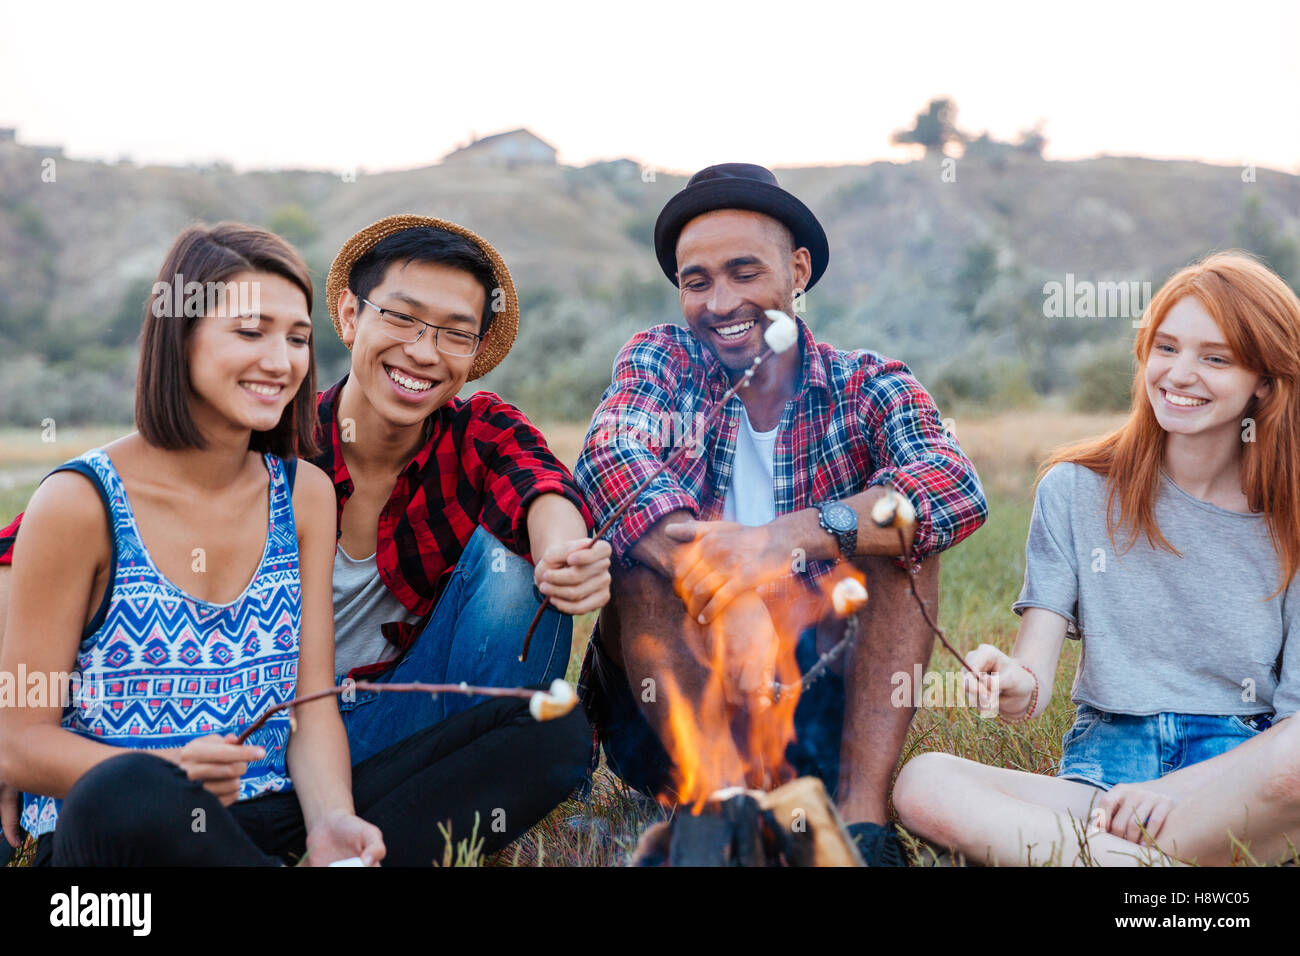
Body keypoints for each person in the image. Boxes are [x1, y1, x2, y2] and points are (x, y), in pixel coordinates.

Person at [0, 221, 593, 865]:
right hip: (131, 832)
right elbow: (18, 742)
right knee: (131, 788)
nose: (280, 362)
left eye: (296, 338)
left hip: (275, 807)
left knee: (553, 734)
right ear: (180, 335)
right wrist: (172, 769)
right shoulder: (82, 501)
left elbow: (311, 711)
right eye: (250, 332)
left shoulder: (301, 492)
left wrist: (333, 820)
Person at [572, 163, 988, 865]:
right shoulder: (661, 358)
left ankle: (859, 822)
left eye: (744, 272)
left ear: (798, 271)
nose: (720, 300)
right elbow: (611, 455)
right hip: (673, 714)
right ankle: (724, 809)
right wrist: (721, 584)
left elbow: (950, 486)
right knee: (642, 561)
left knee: (899, 536)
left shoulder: (868, 382)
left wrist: (781, 540)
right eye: (696, 281)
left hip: (819, 705)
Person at [892, 251, 1300, 866]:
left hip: (1236, 787)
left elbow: (1292, 730)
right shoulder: (1077, 489)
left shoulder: (1291, 516)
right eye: (1166, 347)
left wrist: (1173, 794)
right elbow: (1033, 684)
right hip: (1101, 790)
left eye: (1215, 358)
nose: (1180, 374)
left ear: (1264, 381)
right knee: (924, 782)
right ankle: (1152, 873)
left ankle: (1105, 863)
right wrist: (1010, 682)